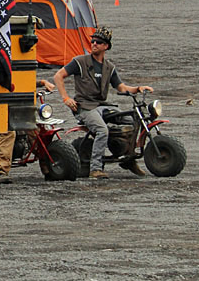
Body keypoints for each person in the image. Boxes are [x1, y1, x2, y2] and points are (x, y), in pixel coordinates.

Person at [53, 27, 154, 179]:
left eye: (98, 42)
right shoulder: (80, 62)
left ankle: (128, 158)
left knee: (132, 120)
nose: (94, 44)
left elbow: (120, 87)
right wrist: (66, 98)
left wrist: (138, 88)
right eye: (92, 41)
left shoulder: (109, 67)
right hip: (84, 106)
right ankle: (95, 168)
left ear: (106, 46)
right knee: (102, 130)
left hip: (102, 105)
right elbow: (58, 76)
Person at [0, 78, 56, 184]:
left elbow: (23, 78)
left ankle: (49, 168)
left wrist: (42, 82)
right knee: (9, 133)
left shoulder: (16, 68)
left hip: (15, 109)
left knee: (36, 130)